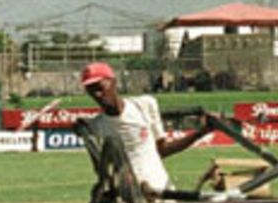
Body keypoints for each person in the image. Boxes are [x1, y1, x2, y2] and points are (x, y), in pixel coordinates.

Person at [79, 62, 209, 196]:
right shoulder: (95, 126)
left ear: (113, 82)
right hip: (129, 199)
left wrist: (201, 132)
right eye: (90, 90)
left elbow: (162, 150)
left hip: (163, 191)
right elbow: (102, 171)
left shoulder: (145, 105)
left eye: (100, 87)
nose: (97, 94)